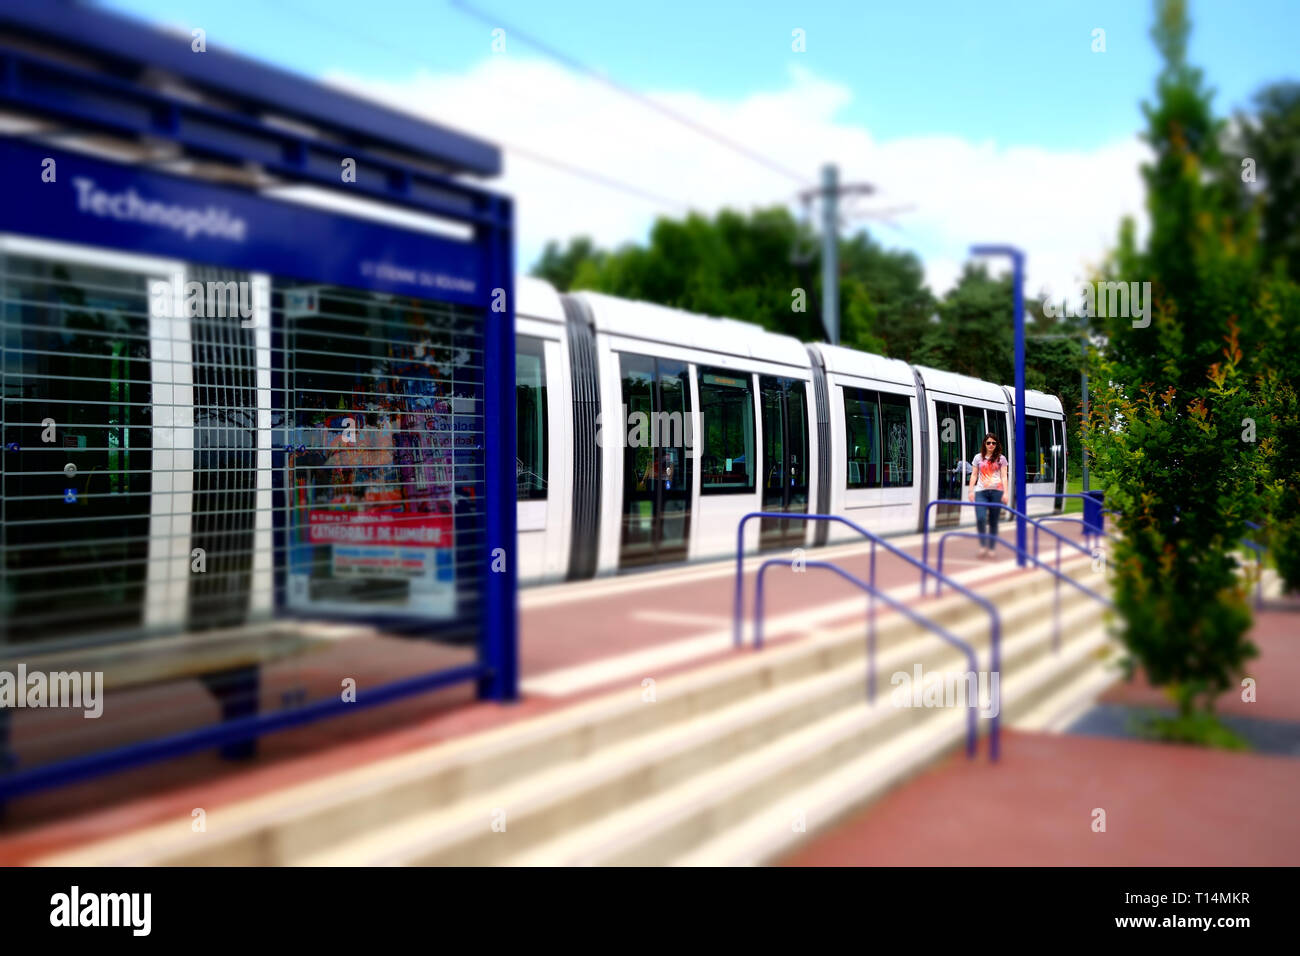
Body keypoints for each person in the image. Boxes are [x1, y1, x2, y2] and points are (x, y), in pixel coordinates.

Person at [967, 433, 1009, 558]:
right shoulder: (978, 458)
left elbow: (1004, 476)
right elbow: (974, 475)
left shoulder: (1001, 459)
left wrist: (1006, 493)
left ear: (997, 445)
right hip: (981, 491)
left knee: (993, 521)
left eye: (993, 443)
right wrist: (970, 491)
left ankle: (991, 547)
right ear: (984, 444)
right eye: (988, 443)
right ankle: (982, 546)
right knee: (980, 518)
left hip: (997, 491)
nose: (991, 445)